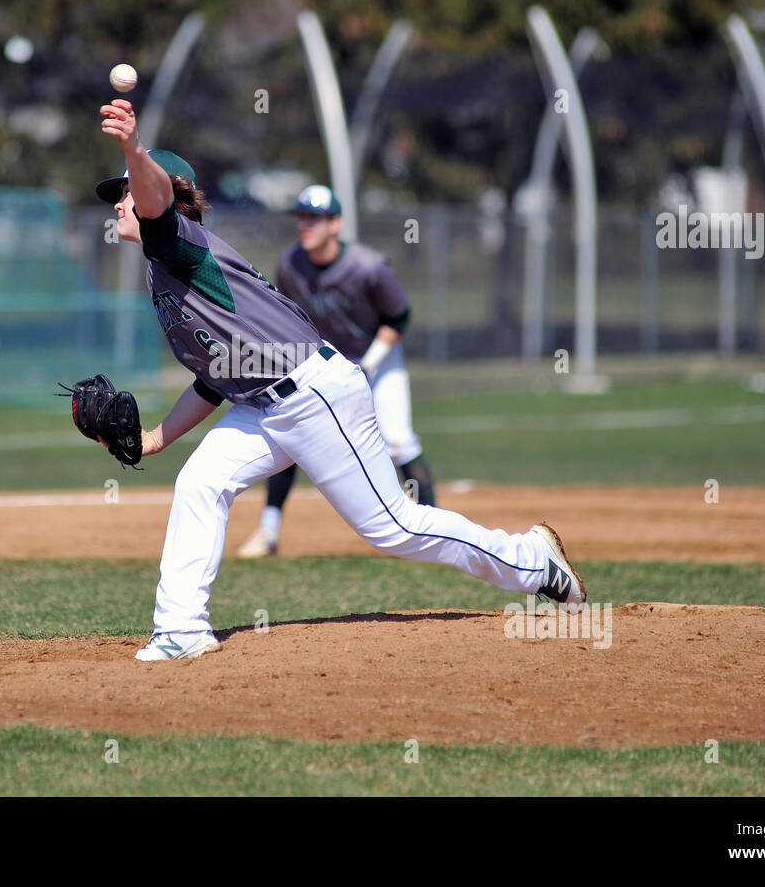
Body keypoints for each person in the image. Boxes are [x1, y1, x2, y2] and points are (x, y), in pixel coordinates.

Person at [95, 97, 585, 662]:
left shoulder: (178, 242)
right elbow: (214, 378)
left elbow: (156, 203)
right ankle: (181, 629)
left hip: (313, 394)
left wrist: (134, 147)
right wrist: (156, 437)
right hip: (261, 405)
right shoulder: (166, 272)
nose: (119, 202)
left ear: (166, 193)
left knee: (393, 528)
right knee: (200, 482)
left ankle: (531, 561)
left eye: (126, 190)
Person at [237, 184, 436, 558]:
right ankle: (268, 531)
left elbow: (399, 316)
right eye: (301, 217)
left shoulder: (369, 266)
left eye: (315, 218)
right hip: (324, 365)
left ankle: (434, 527)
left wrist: (371, 362)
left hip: (376, 359)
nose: (305, 225)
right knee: (290, 433)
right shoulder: (291, 264)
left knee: (397, 440)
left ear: (336, 223)